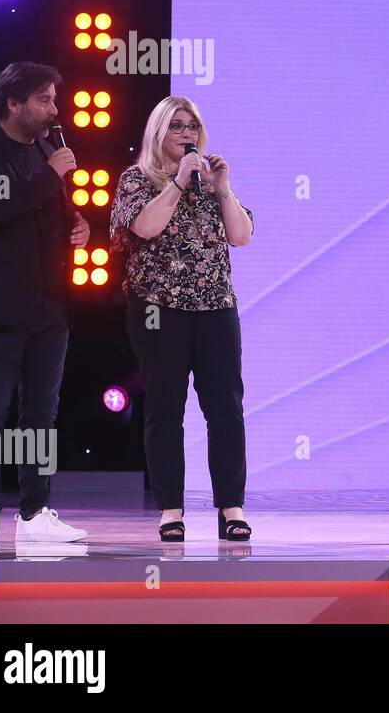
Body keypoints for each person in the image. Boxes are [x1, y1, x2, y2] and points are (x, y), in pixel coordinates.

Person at [109, 96, 254, 542]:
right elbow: (145, 227)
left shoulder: (209, 181)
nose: (187, 133)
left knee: (225, 408)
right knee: (165, 406)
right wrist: (176, 183)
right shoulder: (138, 179)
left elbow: (241, 235)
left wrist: (222, 186)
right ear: (159, 132)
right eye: (176, 125)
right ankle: (171, 509)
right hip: (158, 307)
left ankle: (231, 507)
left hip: (216, 306)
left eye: (192, 126)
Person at [0, 62, 88, 545]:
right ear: (13, 103)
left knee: (41, 414)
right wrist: (49, 177)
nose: (55, 109)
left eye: (55, 99)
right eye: (44, 99)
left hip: (51, 302)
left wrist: (78, 225)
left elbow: (58, 212)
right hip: (0, 300)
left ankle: (34, 511)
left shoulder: (48, 149)